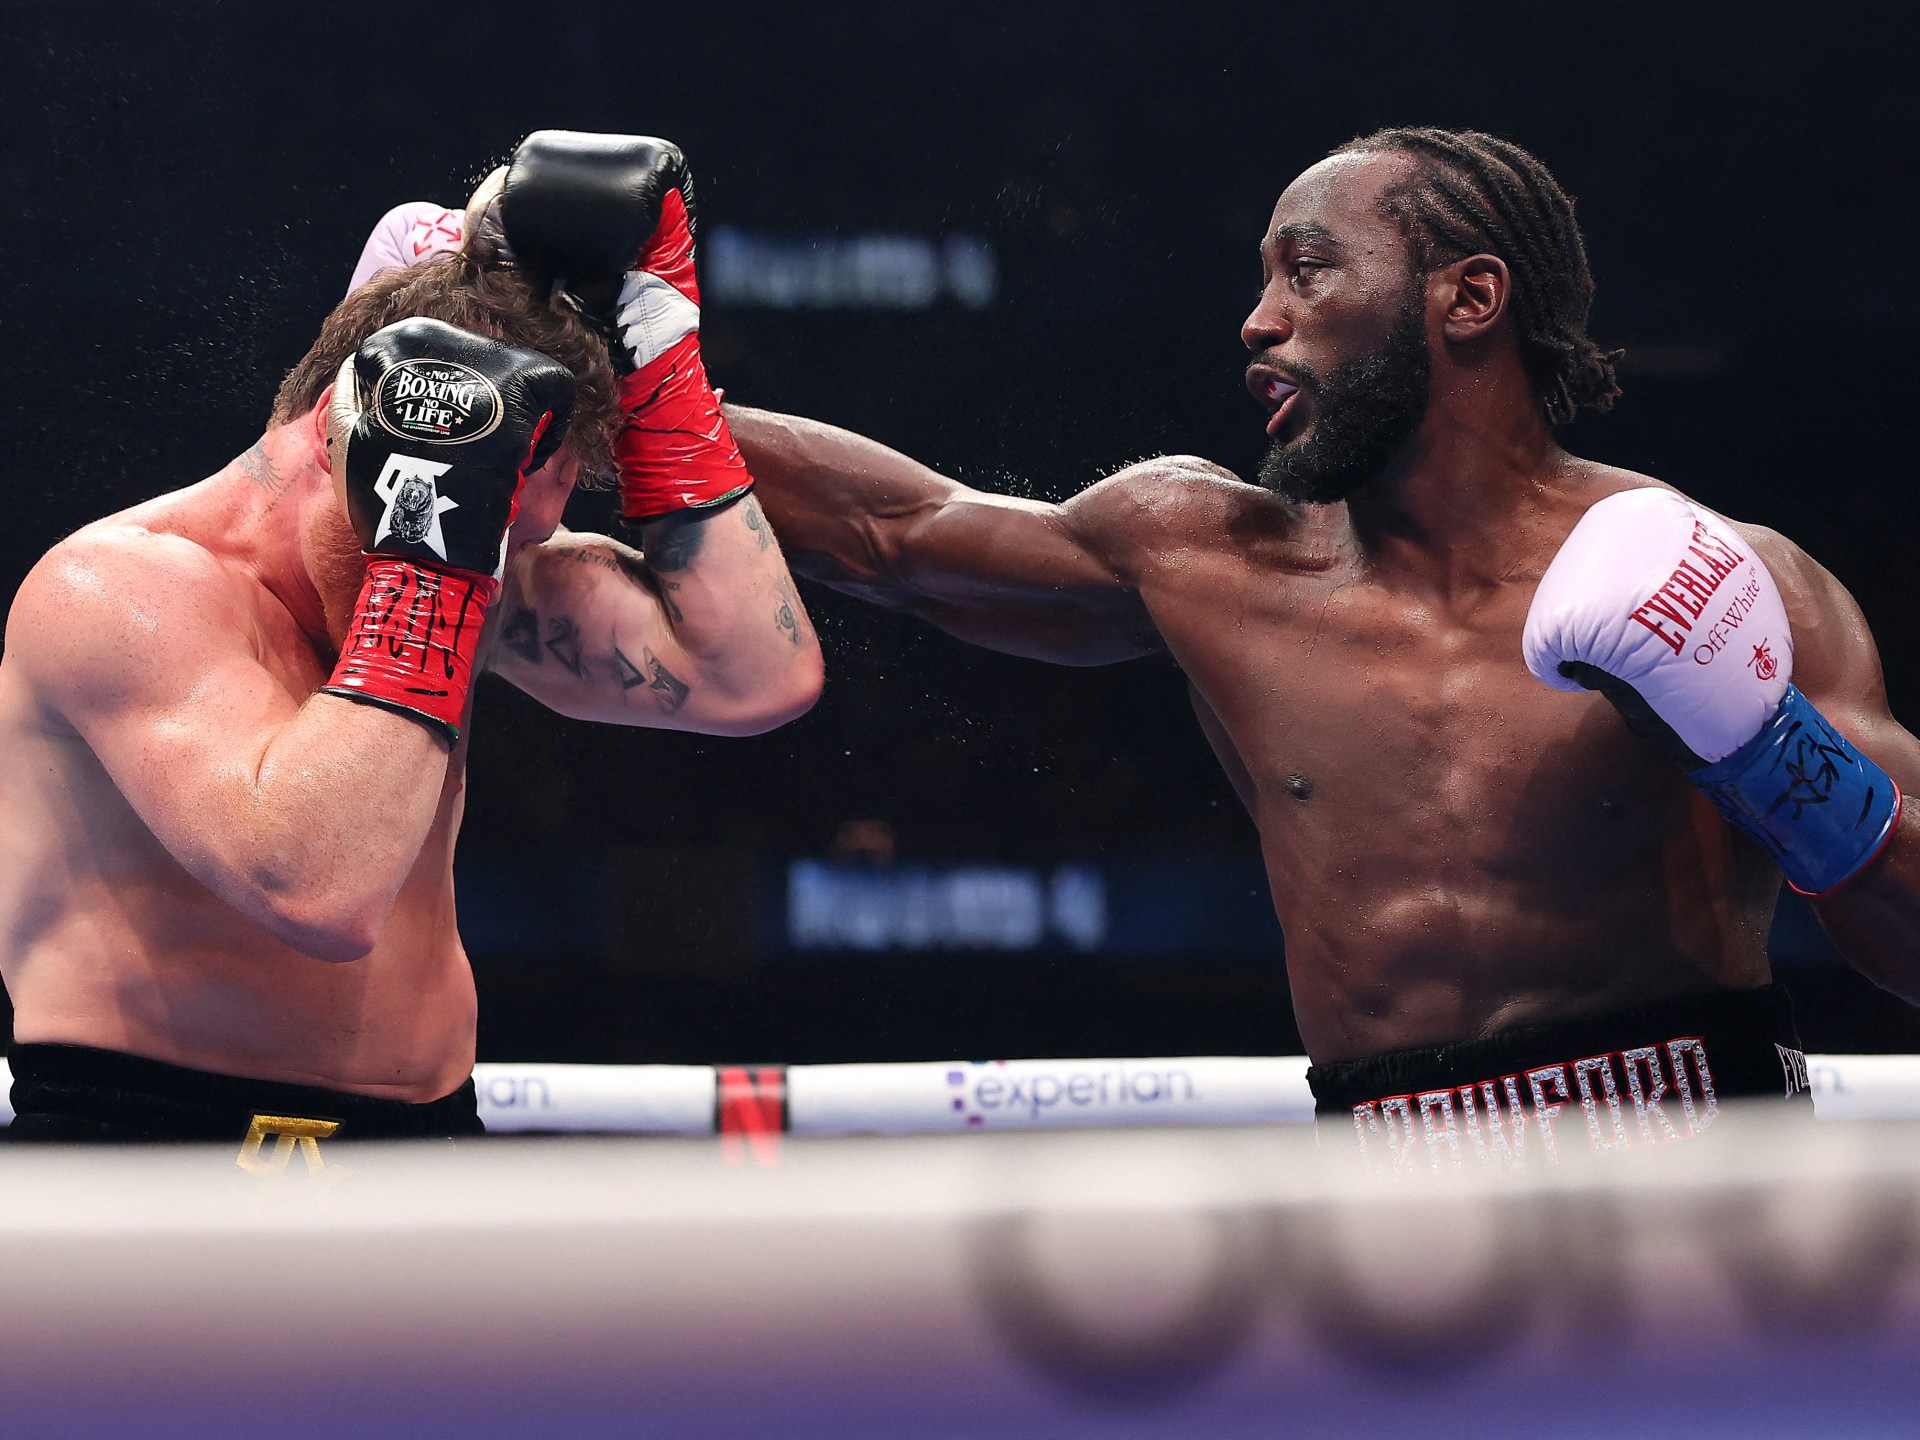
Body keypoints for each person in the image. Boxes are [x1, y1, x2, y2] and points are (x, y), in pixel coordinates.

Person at [720, 127, 1920, 1166]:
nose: (1259, 319)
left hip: (1695, 1169)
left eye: (1308, 270)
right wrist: (622, 366)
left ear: (1469, 297)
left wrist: (1765, 747)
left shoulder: (1727, 581)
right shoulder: (1212, 559)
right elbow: (895, 531)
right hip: (1388, 1196)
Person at [0, 143, 822, 1142]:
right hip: (160, 1143)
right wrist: (437, 557)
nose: (513, 552)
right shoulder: (120, 590)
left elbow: (752, 680)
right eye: (495, 512)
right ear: (340, 433)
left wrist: (663, 370)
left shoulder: (478, 555)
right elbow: (316, 886)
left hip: (426, 1136)